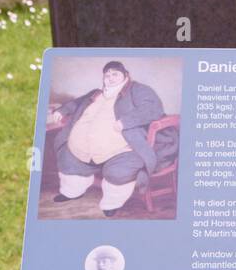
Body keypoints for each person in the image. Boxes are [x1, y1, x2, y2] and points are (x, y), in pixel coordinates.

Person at [46, 61, 178, 217]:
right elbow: (76, 103)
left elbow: (152, 108)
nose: (110, 78)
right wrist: (62, 110)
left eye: (115, 74)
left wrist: (126, 121)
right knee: (67, 159)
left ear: (125, 75)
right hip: (82, 149)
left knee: (118, 171)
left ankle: (111, 203)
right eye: (107, 75)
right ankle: (71, 192)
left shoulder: (138, 90)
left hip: (123, 149)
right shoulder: (95, 94)